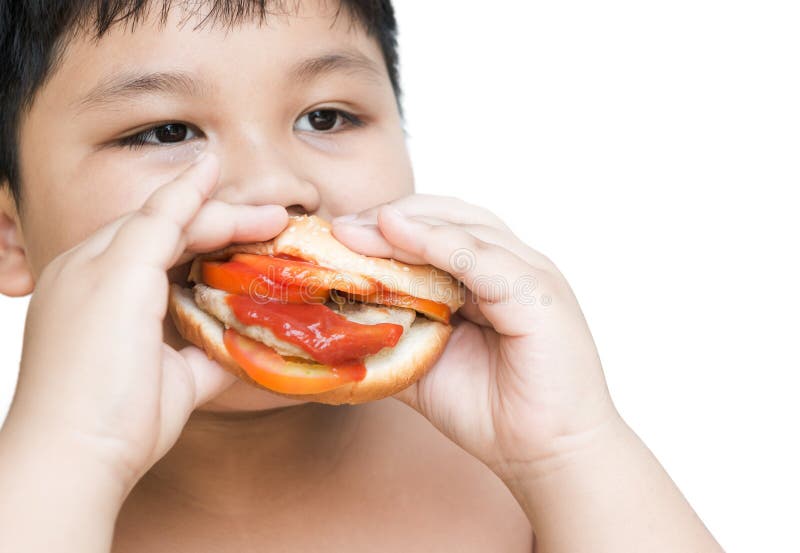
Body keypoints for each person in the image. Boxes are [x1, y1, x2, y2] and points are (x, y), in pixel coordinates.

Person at [0, 1, 724, 551]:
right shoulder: (31, 496)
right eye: (166, 132)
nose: (276, 185)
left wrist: (570, 446)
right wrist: (72, 453)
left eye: (325, 116)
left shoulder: (510, 472)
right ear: (9, 235)